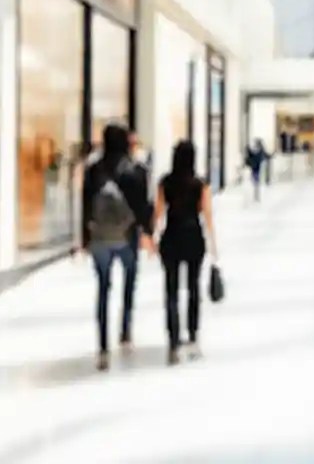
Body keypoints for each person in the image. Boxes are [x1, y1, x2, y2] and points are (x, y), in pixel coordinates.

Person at [81, 124, 153, 371]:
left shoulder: (93, 170)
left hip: (100, 236)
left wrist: (84, 238)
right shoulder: (137, 170)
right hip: (127, 236)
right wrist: (149, 233)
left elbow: (86, 205)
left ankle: (102, 348)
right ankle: (125, 331)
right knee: (129, 283)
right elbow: (144, 207)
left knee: (102, 289)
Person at [153, 141, 219, 366]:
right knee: (193, 287)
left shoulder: (165, 182)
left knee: (170, 289)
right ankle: (192, 335)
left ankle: (173, 341)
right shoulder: (200, 184)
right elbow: (207, 216)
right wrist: (213, 246)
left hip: (171, 237)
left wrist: (153, 238)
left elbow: (159, 213)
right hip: (193, 237)